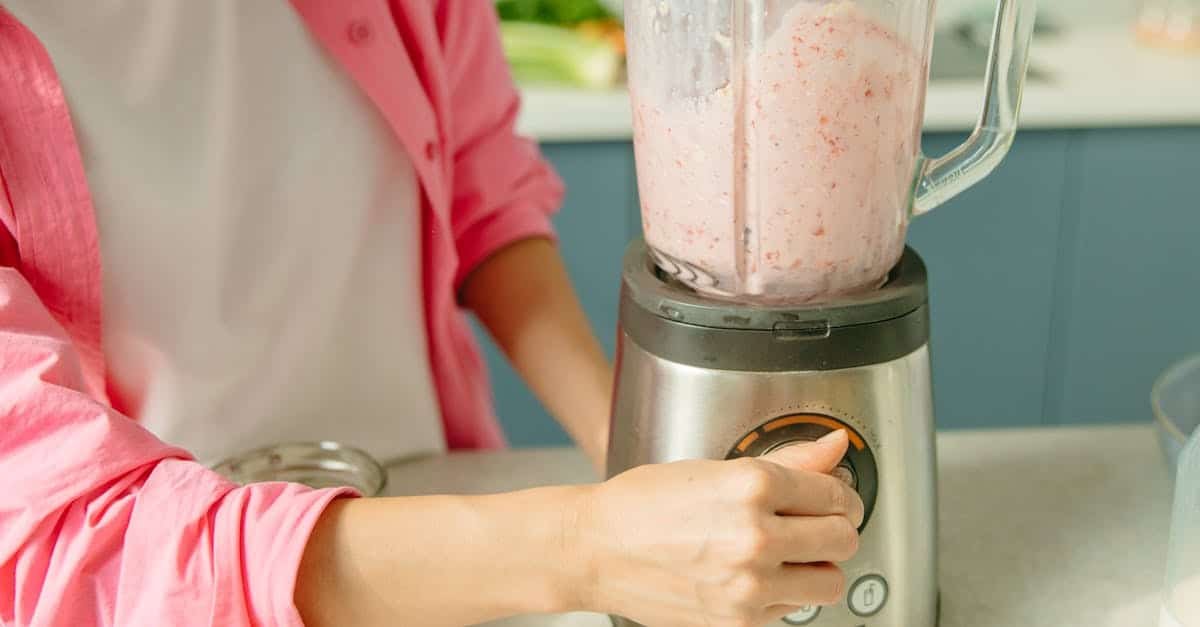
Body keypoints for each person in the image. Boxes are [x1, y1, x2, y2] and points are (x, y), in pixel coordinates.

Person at [0, 2, 864, 626]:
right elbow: (78, 543)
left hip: (452, 549)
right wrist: (592, 546)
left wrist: (637, 449)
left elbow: (482, 194)